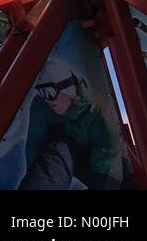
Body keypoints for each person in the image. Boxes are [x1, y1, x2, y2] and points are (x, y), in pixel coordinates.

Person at [18, 57, 120, 190]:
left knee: (123, 173)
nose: (47, 100)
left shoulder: (97, 111)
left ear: (68, 89)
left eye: (49, 92)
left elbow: (108, 161)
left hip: (97, 160)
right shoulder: (41, 107)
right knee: (59, 148)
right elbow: (33, 148)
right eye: (41, 93)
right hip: (63, 158)